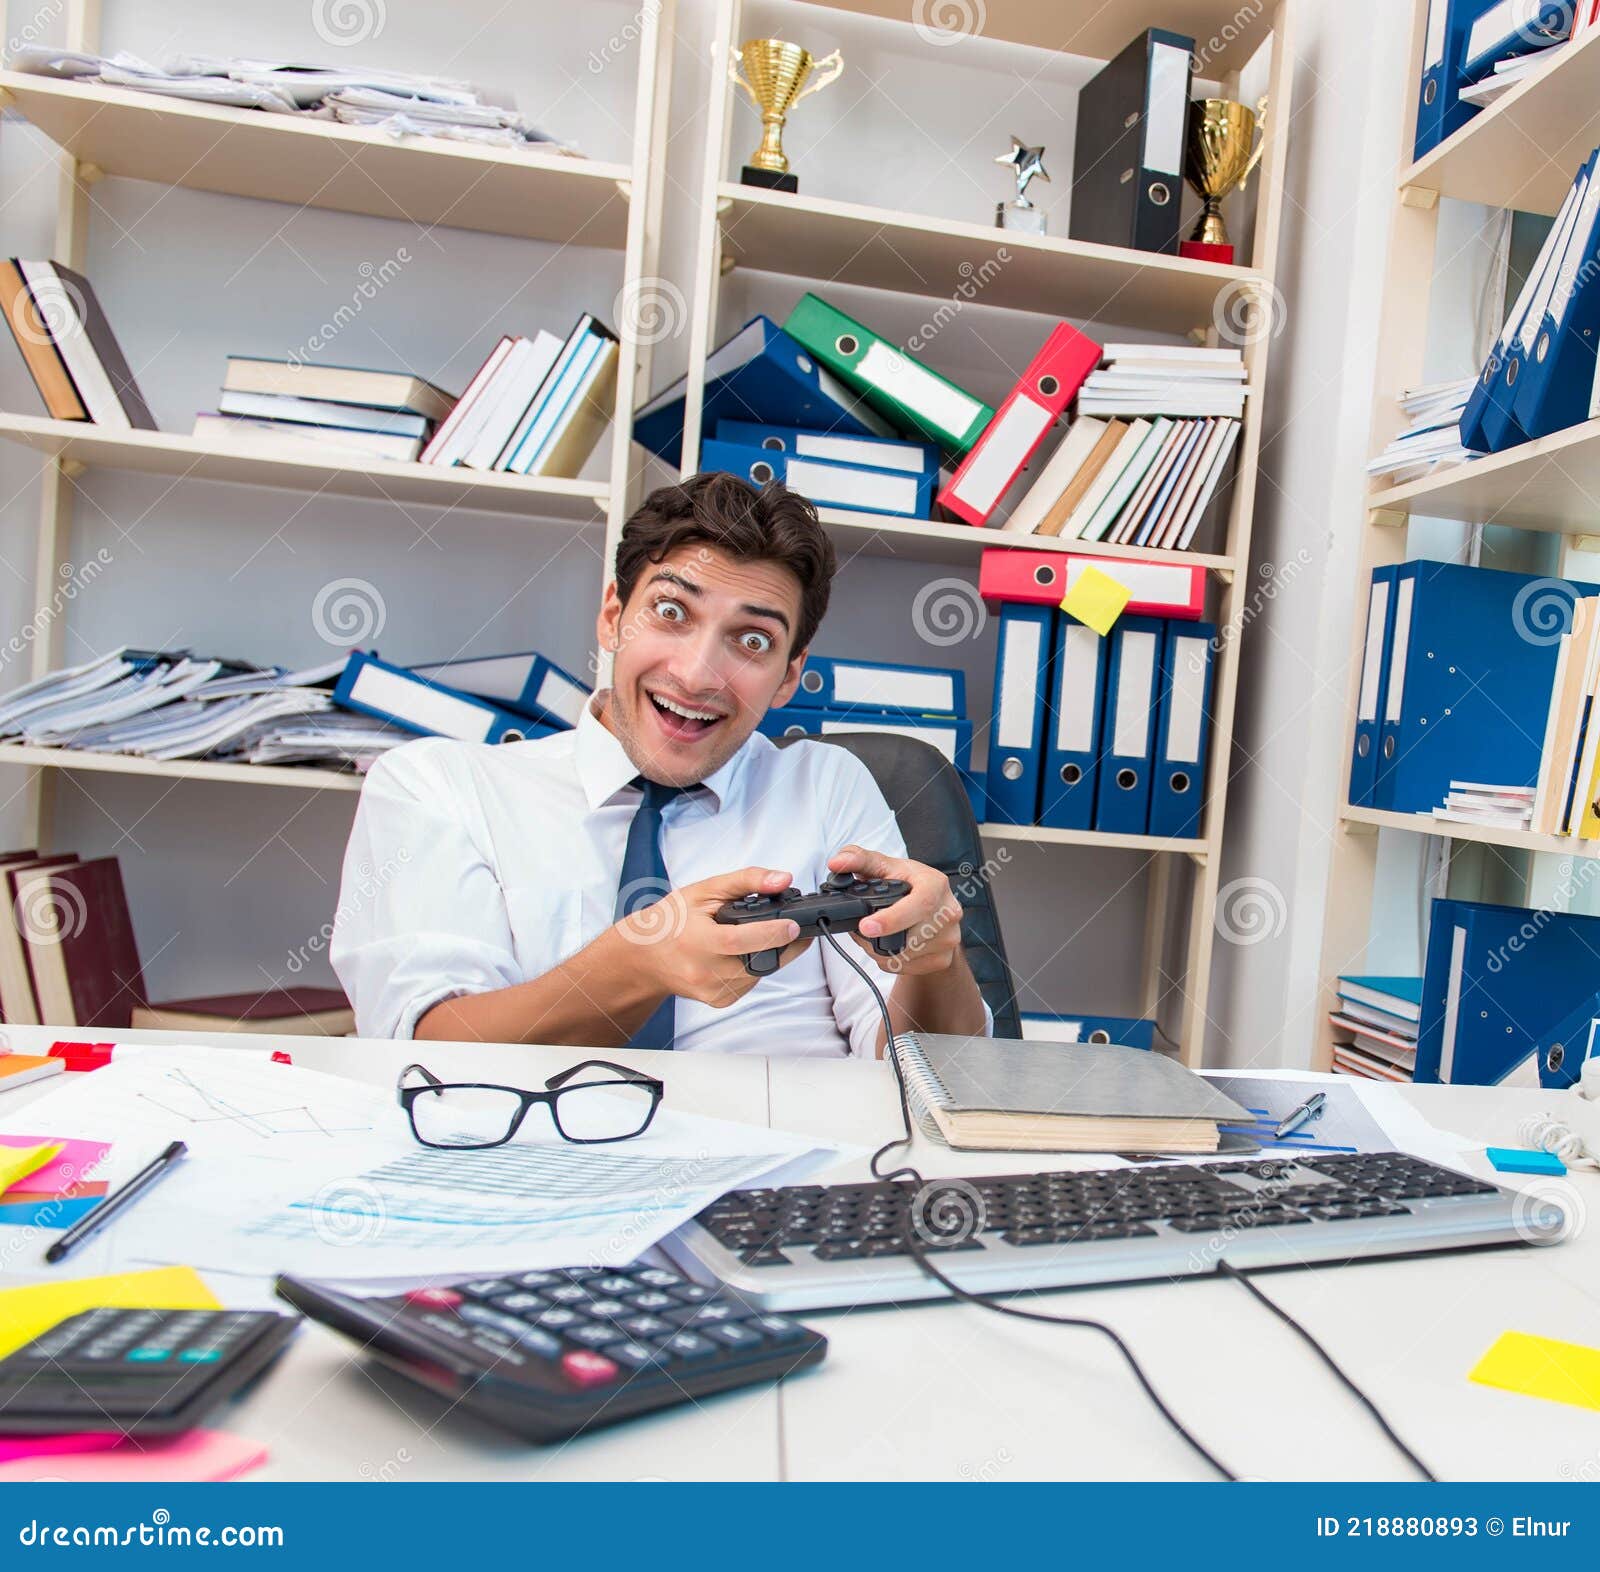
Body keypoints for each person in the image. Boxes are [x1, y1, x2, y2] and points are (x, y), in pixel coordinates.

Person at [331, 471, 989, 1056]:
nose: (698, 675)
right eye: (671, 612)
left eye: (752, 640)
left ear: (788, 678)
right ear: (613, 617)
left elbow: (924, 1070)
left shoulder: (828, 785)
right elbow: (425, 1051)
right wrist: (637, 964)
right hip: (534, 1147)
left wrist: (936, 964)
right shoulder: (436, 787)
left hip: (796, 1147)